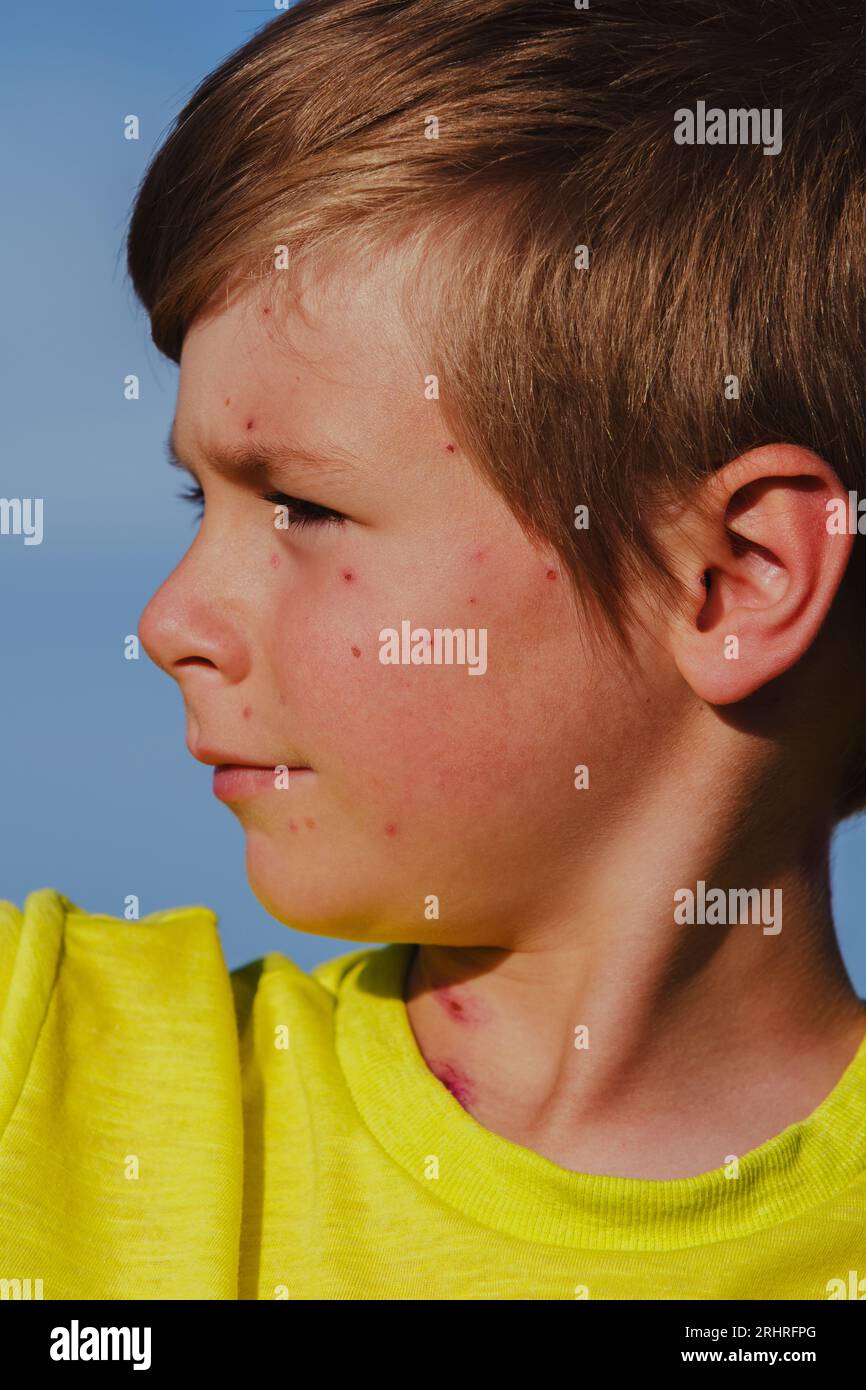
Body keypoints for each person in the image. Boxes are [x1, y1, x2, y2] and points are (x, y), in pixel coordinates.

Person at [2, 0, 866, 1300]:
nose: (168, 620)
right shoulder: (39, 1057)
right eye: (202, 500)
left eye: (302, 505)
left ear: (731, 580)